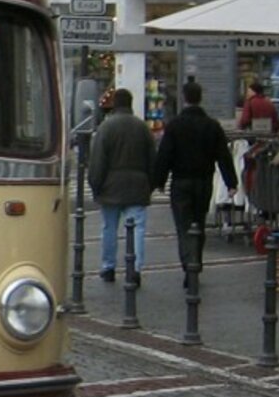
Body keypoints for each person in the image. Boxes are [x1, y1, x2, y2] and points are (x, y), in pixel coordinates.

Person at [153, 79, 238, 284]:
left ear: (184, 99)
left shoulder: (174, 125)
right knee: (198, 223)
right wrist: (231, 182)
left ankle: (188, 265)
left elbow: (165, 154)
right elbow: (223, 155)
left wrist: (159, 180)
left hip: (180, 181)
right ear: (200, 99)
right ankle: (196, 262)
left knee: (183, 227)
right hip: (204, 181)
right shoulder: (211, 125)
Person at [88, 87, 155, 284]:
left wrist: (96, 185)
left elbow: (98, 161)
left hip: (110, 186)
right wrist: (149, 184)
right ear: (130, 103)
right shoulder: (142, 127)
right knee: (138, 228)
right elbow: (152, 159)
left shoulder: (106, 128)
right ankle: (134, 268)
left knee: (109, 228)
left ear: (115, 104)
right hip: (137, 184)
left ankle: (108, 267)